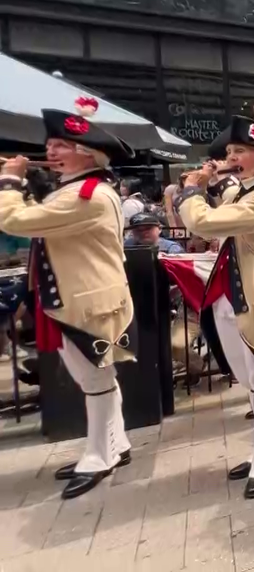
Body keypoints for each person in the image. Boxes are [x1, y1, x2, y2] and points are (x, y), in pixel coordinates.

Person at [0, 97, 136, 499]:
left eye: (60, 145)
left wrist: (9, 180)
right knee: (96, 378)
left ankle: (99, 455)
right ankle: (117, 443)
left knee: (94, 381)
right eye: (51, 144)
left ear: (86, 153)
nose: (49, 151)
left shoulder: (87, 194)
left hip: (86, 302)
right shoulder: (77, 189)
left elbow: (14, 220)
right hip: (82, 298)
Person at [176, 114, 254, 499]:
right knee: (251, 379)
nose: (230, 156)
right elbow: (223, 201)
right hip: (235, 295)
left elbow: (207, 223)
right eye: (228, 151)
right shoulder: (245, 190)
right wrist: (212, 180)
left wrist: (191, 191)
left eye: (239, 151)